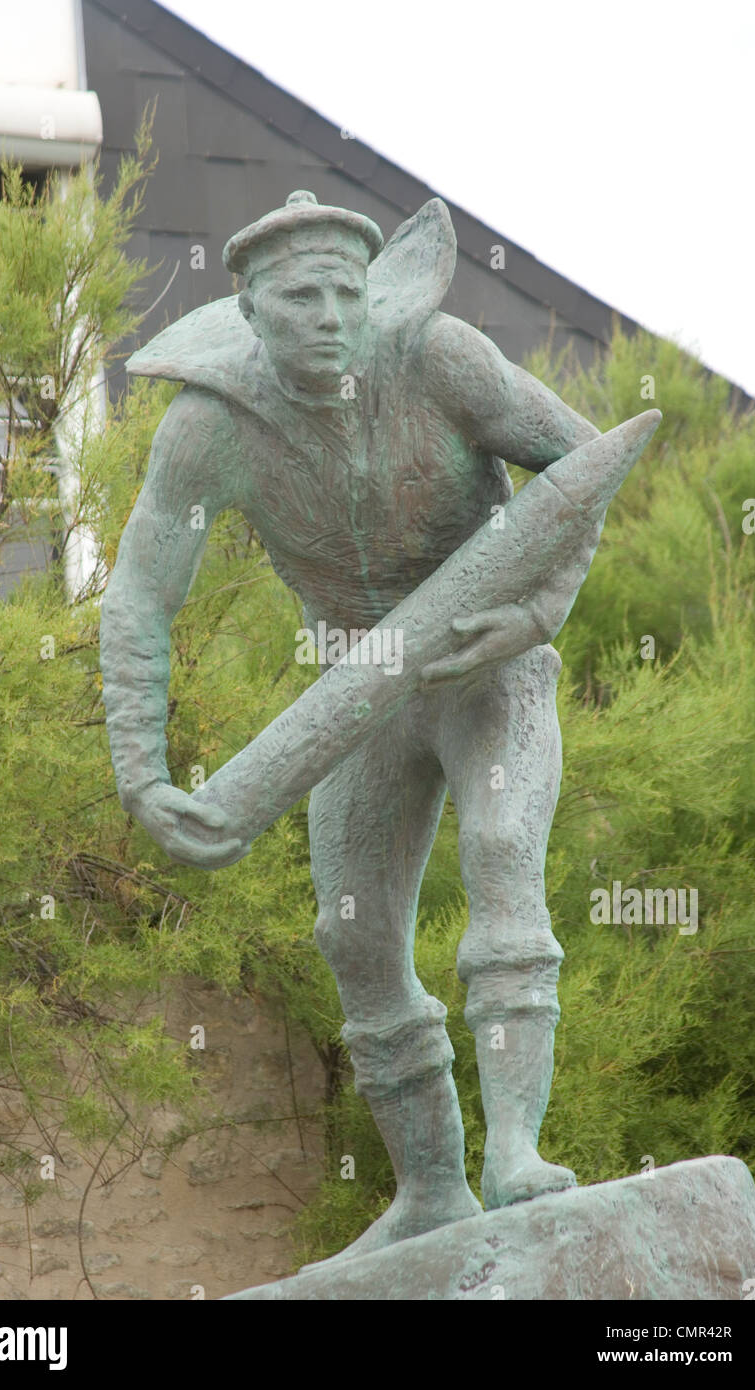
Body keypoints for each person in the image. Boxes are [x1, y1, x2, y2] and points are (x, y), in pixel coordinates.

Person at [100, 190, 601, 1262]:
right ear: (248, 310)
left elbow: (581, 459)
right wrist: (143, 774)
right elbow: (141, 593)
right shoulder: (208, 432)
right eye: (298, 297)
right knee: (352, 931)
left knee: (503, 849)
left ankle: (515, 1151)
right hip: (356, 688)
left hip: (485, 664)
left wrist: (534, 611)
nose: (328, 314)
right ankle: (429, 1191)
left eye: (345, 291)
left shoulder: (441, 359)